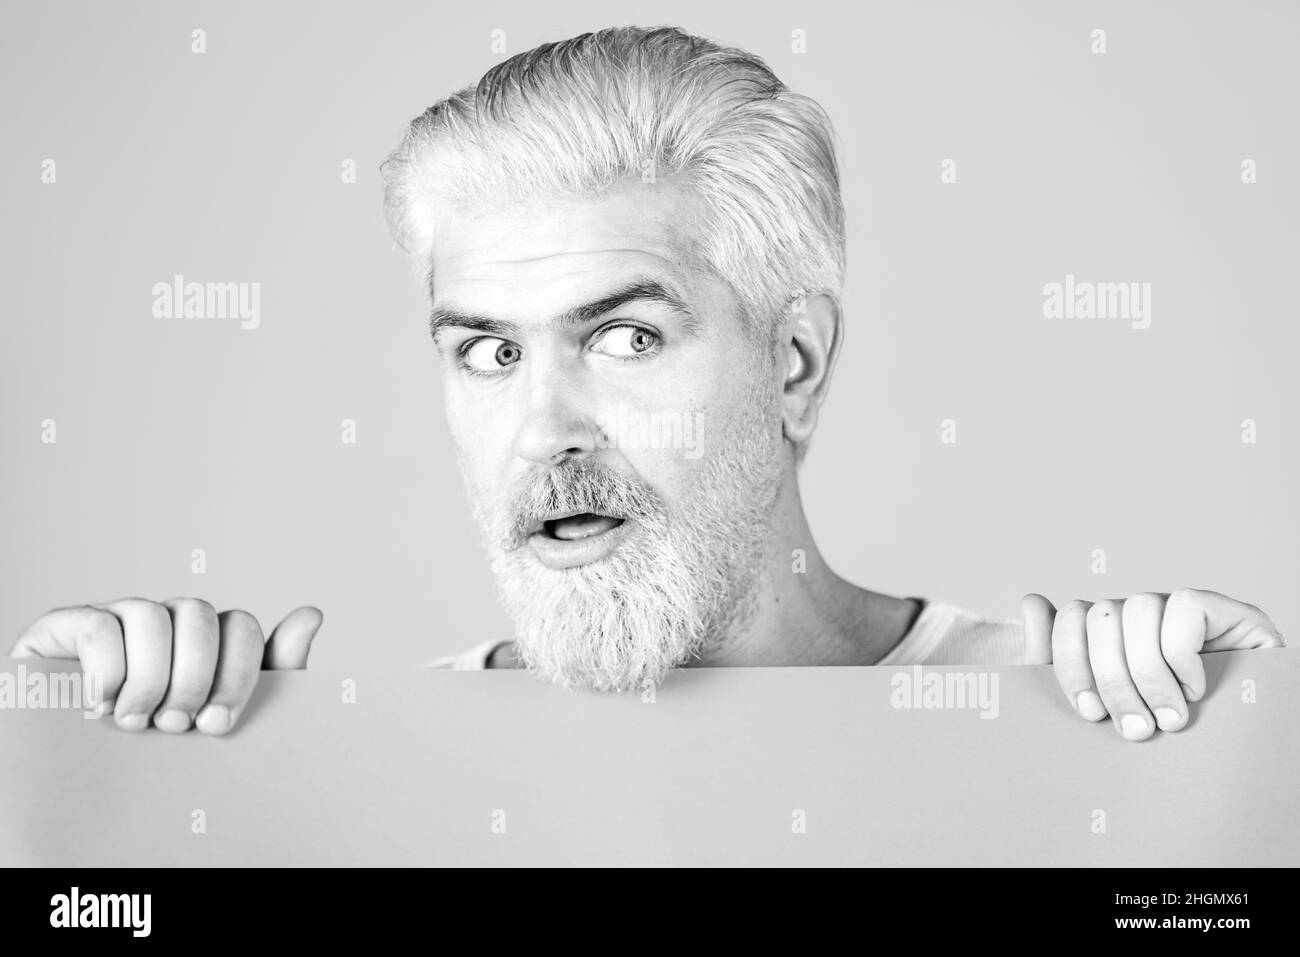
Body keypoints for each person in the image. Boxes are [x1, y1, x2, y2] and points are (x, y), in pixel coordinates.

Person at [11, 26, 1283, 743]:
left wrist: (1244, 776)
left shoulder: (1074, 726)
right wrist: (70, 784)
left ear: (795, 365)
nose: (544, 431)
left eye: (623, 339)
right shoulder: (342, 780)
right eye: (490, 352)